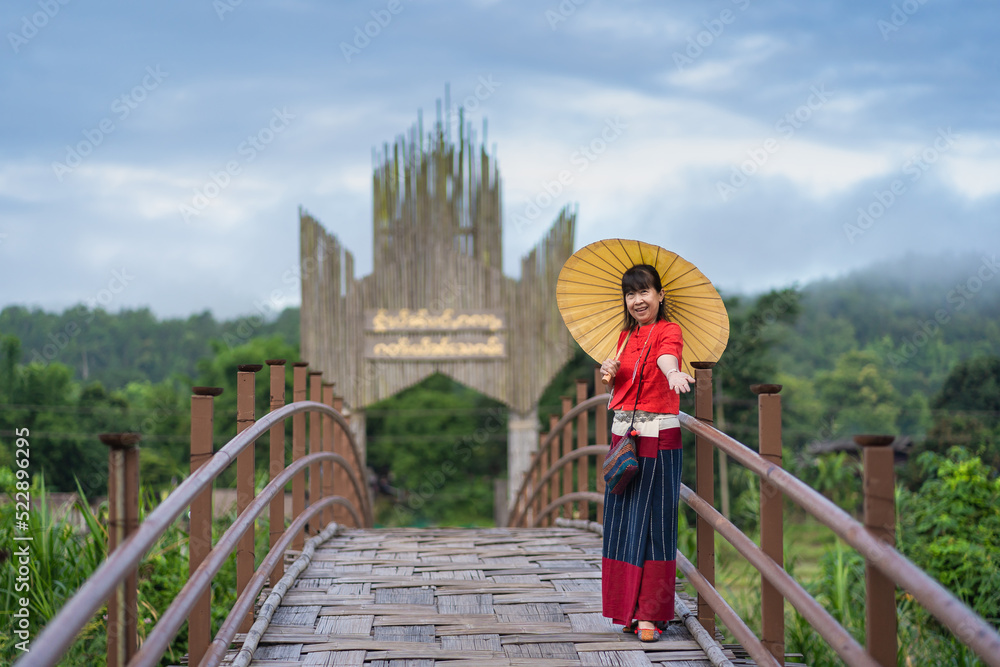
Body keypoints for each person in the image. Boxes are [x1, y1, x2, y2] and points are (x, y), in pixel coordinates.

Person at [599, 263, 694, 643]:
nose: (638, 300)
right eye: (631, 293)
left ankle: (650, 616)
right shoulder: (625, 337)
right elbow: (623, 382)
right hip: (624, 437)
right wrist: (610, 368)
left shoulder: (669, 331)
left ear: (659, 295)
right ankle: (627, 610)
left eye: (645, 292)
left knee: (655, 522)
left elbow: (666, 357)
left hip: (659, 437)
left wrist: (673, 374)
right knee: (622, 524)